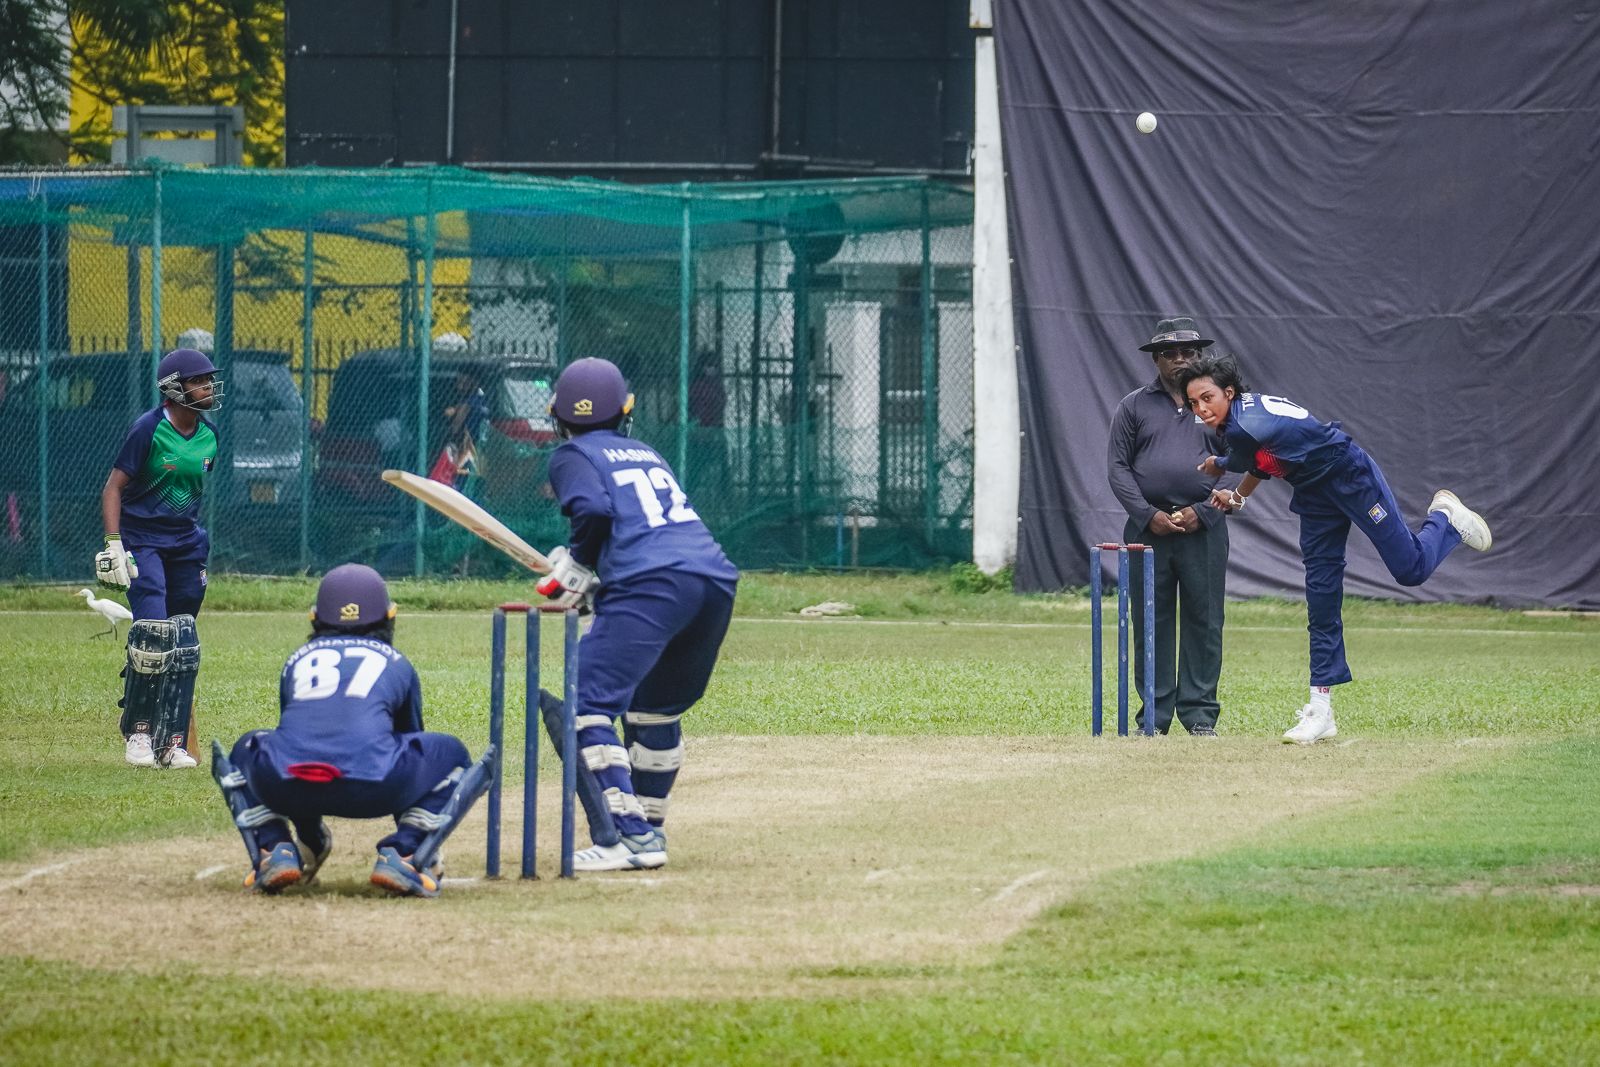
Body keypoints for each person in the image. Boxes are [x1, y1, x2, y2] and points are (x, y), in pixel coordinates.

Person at [1177, 355, 1492, 744]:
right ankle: (1320, 710)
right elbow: (1264, 460)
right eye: (1193, 403)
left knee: (1411, 569)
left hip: (1349, 475)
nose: (1201, 409)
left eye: (1207, 397)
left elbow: (1237, 458)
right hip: (1313, 493)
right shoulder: (1244, 415)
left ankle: (1445, 518)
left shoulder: (1241, 426)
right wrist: (1240, 498)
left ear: (1228, 391)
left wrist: (1216, 464)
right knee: (1321, 594)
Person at [536, 357, 739, 871]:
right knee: (654, 709)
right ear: (626, 411)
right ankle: (648, 828)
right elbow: (637, 527)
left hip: (653, 583)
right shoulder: (646, 452)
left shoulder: (570, 453)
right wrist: (595, 580)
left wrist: (579, 562)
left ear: (555, 414)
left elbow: (596, 512)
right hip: (712, 579)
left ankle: (627, 837)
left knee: (586, 707)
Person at [214, 564, 481, 897]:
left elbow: (301, 742)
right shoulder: (396, 662)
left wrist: (310, 833)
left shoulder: (297, 659)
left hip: (287, 784)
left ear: (315, 618)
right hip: (375, 788)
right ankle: (406, 852)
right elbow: (412, 738)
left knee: (248, 748)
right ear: (389, 617)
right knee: (452, 753)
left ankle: (276, 847)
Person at [1106, 317, 1239, 735]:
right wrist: (1148, 515)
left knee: (1204, 619)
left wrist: (1207, 510)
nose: (1180, 359)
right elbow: (1118, 468)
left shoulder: (1215, 403)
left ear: (1199, 356)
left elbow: (1242, 461)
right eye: (1170, 353)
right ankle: (1155, 718)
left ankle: (1199, 716)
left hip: (1204, 525)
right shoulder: (1134, 405)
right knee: (1151, 620)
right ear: (1156, 359)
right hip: (1149, 529)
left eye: (1188, 352)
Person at [97, 347, 223, 769]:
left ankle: (172, 743)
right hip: (142, 541)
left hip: (187, 546)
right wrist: (114, 542)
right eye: (199, 381)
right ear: (174, 389)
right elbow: (113, 488)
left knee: (182, 639)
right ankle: (138, 733)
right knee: (152, 633)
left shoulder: (210, 435)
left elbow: (191, 497)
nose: (208, 387)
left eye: (209, 380)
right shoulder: (148, 429)